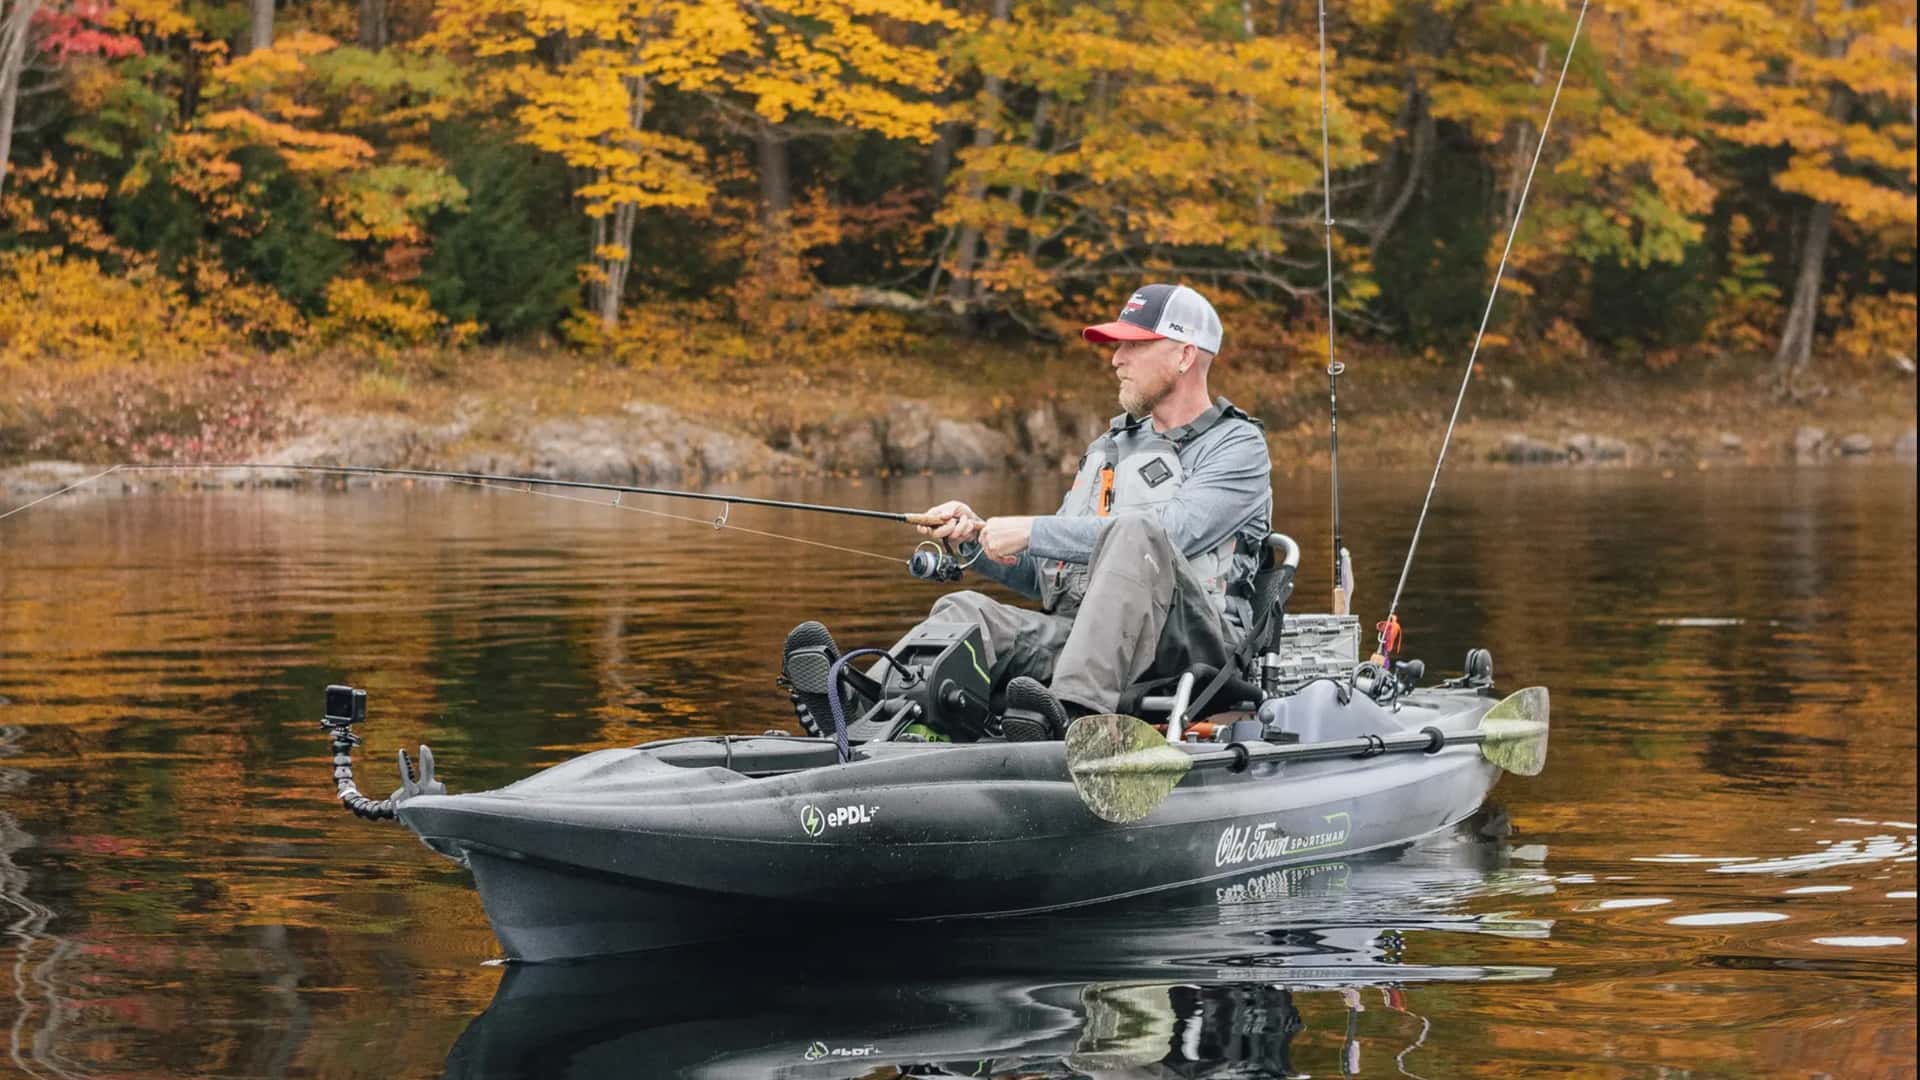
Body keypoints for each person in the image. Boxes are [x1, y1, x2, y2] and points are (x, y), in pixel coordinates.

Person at [786, 283, 1272, 741]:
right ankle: (859, 710)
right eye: (1116, 346)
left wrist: (1033, 530)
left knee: (1138, 532)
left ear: (1185, 355)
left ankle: (1073, 722)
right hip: (1088, 643)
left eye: (1134, 346)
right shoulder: (1109, 448)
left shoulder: (1236, 445)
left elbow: (1172, 532)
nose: (1116, 359)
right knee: (966, 610)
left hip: (1192, 648)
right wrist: (974, 542)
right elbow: (1048, 576)